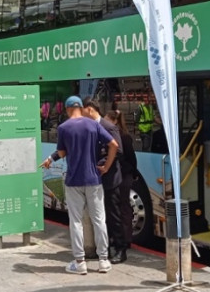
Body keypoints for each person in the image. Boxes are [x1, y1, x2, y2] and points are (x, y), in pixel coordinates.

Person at [41, 96, 119, 275]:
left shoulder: (63, 128)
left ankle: (80, 262)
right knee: (99, 220)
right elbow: (113, 144)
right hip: (94, 179)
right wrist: (106, 167)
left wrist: (50, 159)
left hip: (73, 181)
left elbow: (62, 152)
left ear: (67, 109)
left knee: (76, 221)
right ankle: (103, 260)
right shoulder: (93, 125)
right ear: (81, 107)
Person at [82, 98, 126, 263]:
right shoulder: (88, 127)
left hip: (109, 179)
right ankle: (104, 248)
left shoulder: (108, 127)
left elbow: (118, 151)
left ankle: (120, 249)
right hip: (94, 179)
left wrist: (103, 164)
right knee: (100, 216)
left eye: (83, 111)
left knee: (113, 215)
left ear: (90, 109)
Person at [105, 109, 138, 263]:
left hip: (123, 176)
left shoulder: (123, 137)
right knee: (119, 208)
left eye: (107, 121)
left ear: (115, 121)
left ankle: (124, 239)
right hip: (121, 175)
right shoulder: (118, 135)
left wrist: (131, 172)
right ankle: (120, 239)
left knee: (121, 207)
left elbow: (130, 158)